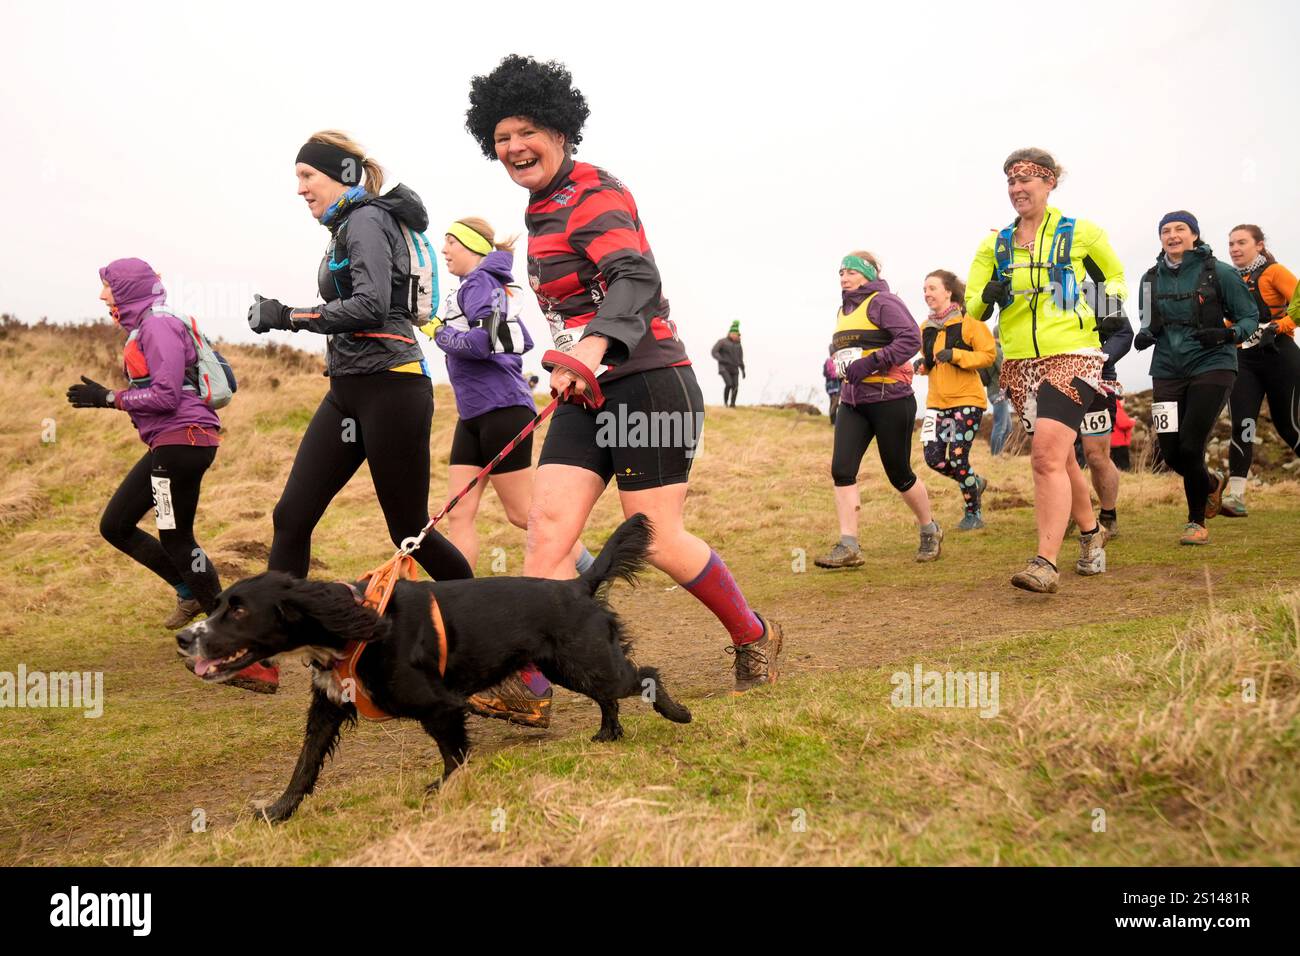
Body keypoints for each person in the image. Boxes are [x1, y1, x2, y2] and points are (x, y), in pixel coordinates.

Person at [463, 55, 783, 718]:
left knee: (657, 536)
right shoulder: (542, 210)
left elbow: (635, 278)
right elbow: (578, 306)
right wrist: (568, 359)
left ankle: (754, 635)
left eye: (525, 131)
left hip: (650, 382)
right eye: (500, 138)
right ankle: (533, 686)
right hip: (588, 390)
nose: (514, 147)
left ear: (558, 128)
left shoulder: (592, 192)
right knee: (546, 532)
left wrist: (594, 346)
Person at [246, 130, 473, 693]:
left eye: (307, 177)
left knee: (408, 529)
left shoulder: (367, 219)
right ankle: (263, 650)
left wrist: (287, 315)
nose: (300, 190)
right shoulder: (343, 227)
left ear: (340, 175)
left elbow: (371, 304)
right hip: (347, 387)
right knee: (292, 515)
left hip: (391, 386)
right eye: (296, 178)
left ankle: (483, 628)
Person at [965, 148, 1127, 593]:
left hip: (1072, 352)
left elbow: (1115, 277)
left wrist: (1096, 310)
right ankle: (1092, 535)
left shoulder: (1081, 233)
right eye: (1011, 183)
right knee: (1058, 459)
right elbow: (972, 309)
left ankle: (1045, 562)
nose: (1018, 189)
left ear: (1049, 182)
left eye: (1026, 180)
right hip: (1020, 364)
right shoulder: (994, 245)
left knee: (1044, 458)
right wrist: (990, 294)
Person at [66, 258, 225, 636]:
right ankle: (190, 592)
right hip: (170, 443)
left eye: (109, 286)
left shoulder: (158, 325)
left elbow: (167, 396)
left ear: (129, 290)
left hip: (183, 441)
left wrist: (108, 398)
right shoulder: (145, 328)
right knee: (116, 525)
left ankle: (225, 625)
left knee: (178, 536)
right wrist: (108, 398)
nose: (103, 294)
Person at [1133, 210, 1258, 545]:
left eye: (1180, 229)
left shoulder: (1219, 273)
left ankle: (1196, 522)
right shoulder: (1149, 278)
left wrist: (1226, 336)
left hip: (1212, 364)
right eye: (1166, 231)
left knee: (1191, 445)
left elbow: (1249, 317)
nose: (1172, 235)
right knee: (1171, 452)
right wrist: (1145, 334)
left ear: (1194, 235)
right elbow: (1148, 320)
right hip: (1166, 369)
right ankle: (1212, 482)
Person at [814, 251, 941, 568]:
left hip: (890, 399)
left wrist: (869, 363)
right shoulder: (843, 310)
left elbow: (911, 339)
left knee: (899, 474)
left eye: (851, 272)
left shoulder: (884, 302)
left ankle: (929, 529)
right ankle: (849, 545)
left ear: (868, 275)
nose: (844, 277)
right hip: (853, 402)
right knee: (842, 470)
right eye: (841, 272)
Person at [1221, 224, 1300, 516]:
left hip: (1281, 355)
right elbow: (1229, 319)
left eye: (1241, 242)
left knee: (1289, 426)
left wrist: (1280, 326)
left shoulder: (1275, 272)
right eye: (1231, 244)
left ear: (1259, 245)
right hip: (1244, 359)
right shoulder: (1229, 278)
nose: (1235, 249)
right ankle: (1236, 497)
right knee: (1243, 425)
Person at [914, 269, 995, 530]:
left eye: (932, 288)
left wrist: (957, 355)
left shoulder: (970, 322)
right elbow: (931, 362)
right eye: (924, 289)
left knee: (959, 458)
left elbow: (988, 355)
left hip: (967, 401)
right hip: (937, 405)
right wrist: (922, 365)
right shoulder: (924, 328)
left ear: (948, 291)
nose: (927, 293)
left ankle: (973, 513)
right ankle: (974, 481)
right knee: (933, 458)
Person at [1077, 282, 1134, 537]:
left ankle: (1108, 515)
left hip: (1097, 382)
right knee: (1056, 456)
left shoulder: (1096, 292)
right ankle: (1074, 511)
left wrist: (1101, 357)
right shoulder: (1041, 288)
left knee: (1095, 456)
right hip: (1049, 382)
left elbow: (1124, 334)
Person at [986, 328, 1012, 456]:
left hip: (996, 392)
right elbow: (1004, 370)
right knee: (1000, 426)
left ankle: (999, 453)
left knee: (1007, 427)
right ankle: (995, 455)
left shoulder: (994, 349)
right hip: (998, 392)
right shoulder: (997, 350)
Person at [711, 322, 745, 407]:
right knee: (729, 384)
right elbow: (714, 352)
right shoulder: (722, 342)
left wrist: (743, 369)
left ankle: (732, 404)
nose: (738, 336)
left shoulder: (738, 345)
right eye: (736, 334)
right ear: (731, 334)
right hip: (724, 368)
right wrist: (721, 359)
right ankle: (725, 403)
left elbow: (740, 358)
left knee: (736, 386)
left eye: (738, 335)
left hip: (735, 369)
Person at [1110, 398, 1134, 471]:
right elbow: (1123, 424)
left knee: (1116, 463)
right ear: (1120, 401)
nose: (1124, 403)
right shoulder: (1118, 410)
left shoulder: (1111, 409)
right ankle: (1125, 478)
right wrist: (1132, 422)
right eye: (1124, 401)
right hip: (1120, 442)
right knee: (1124, 465)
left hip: (1113, 442)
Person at [823, 345, 841, 425]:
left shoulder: (834, 361)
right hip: (832, 386)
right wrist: (838, 374)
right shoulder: (830, 361)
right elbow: (831, 373)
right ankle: (833, 421)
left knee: (834, 403)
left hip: (834, 386)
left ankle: (834, 421)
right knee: (835, 403)